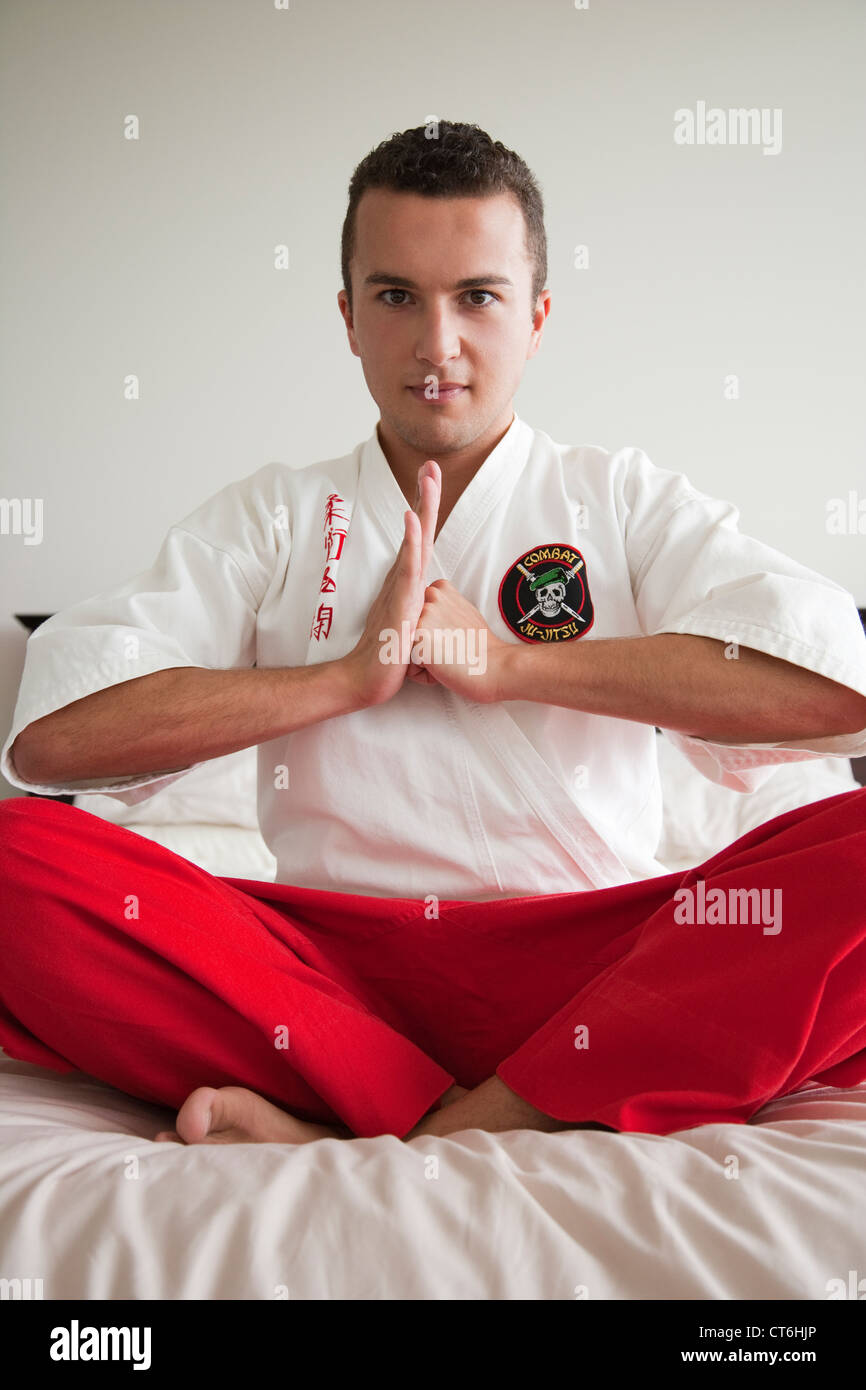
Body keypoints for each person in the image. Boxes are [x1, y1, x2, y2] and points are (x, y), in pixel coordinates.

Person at [2, 121, 866, 1148]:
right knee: (17, 860)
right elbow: (52, 741)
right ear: (349, 316)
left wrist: (507, 665)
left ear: (537, 316)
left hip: (601, 966)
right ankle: (483, 1110)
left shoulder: (619, 499)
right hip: (319, 977)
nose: (437, 345)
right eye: (397, 296)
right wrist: (340, 679)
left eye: (478, 298)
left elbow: (833, 692)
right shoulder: (273, 515)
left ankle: (403, 1125)